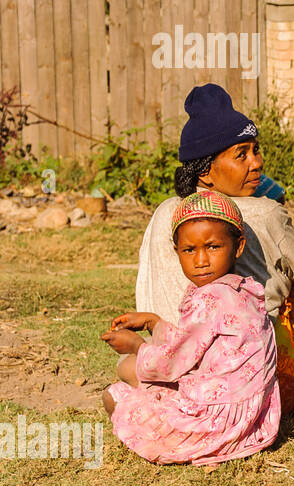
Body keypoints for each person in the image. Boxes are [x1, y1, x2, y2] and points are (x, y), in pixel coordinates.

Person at [135, 84, 294, 412]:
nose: (256, 163)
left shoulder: (164, 212)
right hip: (239, 382)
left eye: (256, 150)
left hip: (165, 368)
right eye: (241, 155)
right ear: (206, 172)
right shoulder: (263, 212)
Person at [101, 190, 280, 466]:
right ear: (177, 252)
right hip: (253, 418)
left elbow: (172, 361)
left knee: (116, 392)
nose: (201, 260)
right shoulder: (243, 289)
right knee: (133, 371)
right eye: (189, 250)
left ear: (238, 246)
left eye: (212, 247)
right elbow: (196, 347)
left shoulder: (211, 297)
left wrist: (137, 345)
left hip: (217, 421)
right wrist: (153, 322)